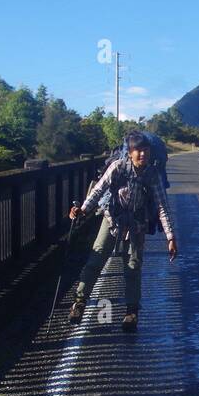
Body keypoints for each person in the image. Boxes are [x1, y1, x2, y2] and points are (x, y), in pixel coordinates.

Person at [67, 131, 178, 332]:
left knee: (133, 268)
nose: (143, 154)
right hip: (111, 220)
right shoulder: (118, 167)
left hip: (136, 226)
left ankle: (131, 313)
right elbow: (98, 190)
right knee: (95, 260)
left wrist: (170, 237)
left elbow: (162, 206)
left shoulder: (152, 175)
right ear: (130, 152)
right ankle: (79, 302)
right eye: (138, 151)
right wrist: (83, 209)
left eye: (146, 151)